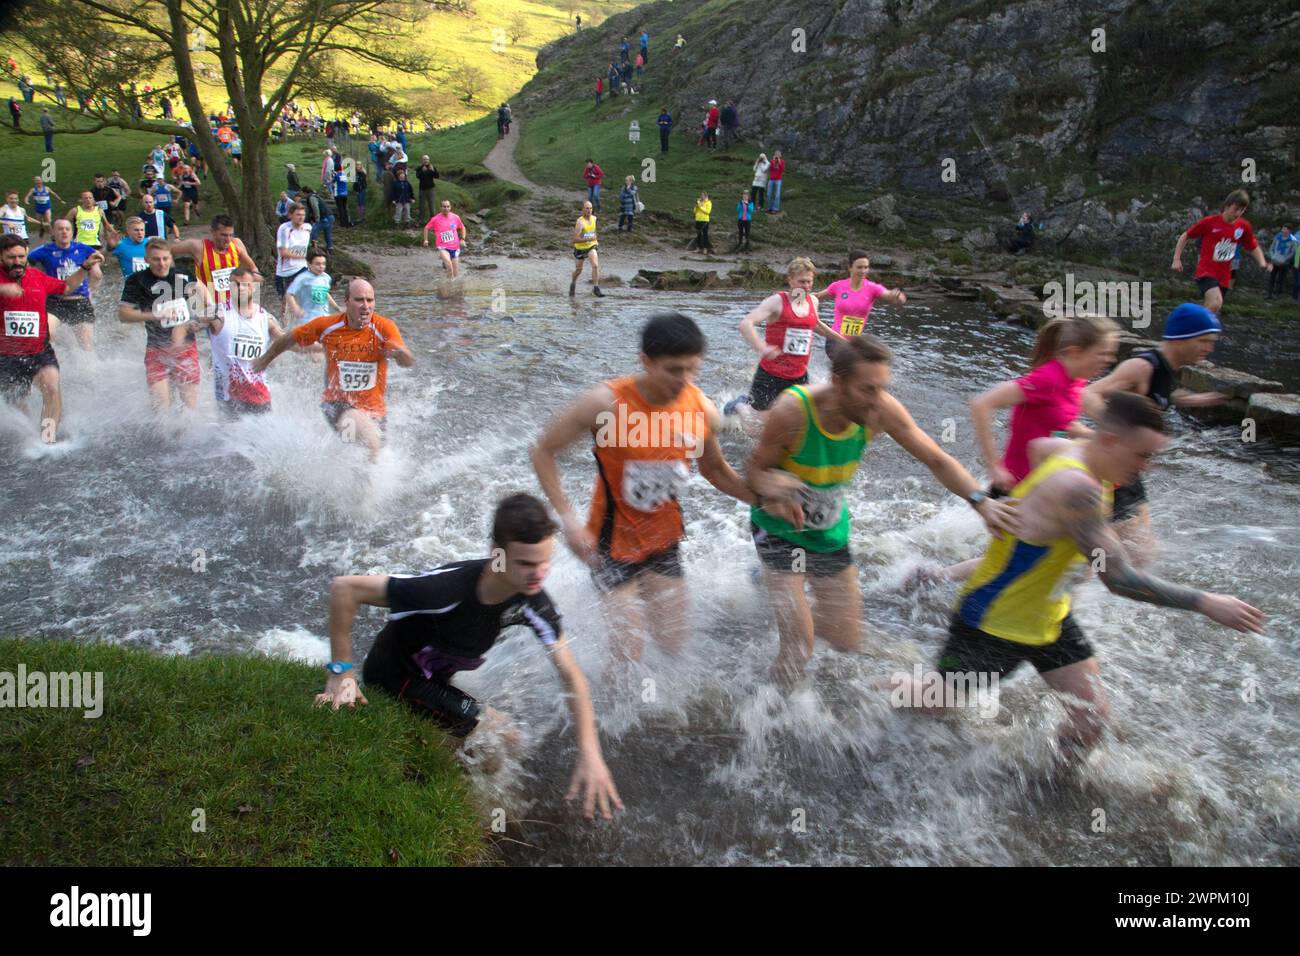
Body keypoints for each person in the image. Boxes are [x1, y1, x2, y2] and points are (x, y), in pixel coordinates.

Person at [920, 393, 1263, 756]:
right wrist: (1206, 602)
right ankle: (861, 693)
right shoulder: (1079, 490)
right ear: (1109, 441)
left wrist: (1025, 506)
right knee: (928, 702)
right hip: (993, 623)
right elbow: (1119, 580)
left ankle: (1051, 793)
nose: (1146, 468)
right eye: (1142, 455)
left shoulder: (1070, 450)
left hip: (1048, 618)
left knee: (1091, 719)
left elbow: (1037, 447)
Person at [316, 493, 623, 819]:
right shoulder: (442, 592)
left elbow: (571, 675)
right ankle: (470, 816)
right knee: (492, 739)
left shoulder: (531, 602)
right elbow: (344, 590)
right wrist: (341, 675)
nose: (538, 575)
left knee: (511, 740)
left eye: (545, 561)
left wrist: (591, 754)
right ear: (497, 555)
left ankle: (445, 771)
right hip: (395, 675)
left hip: (434, 676)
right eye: (526, 564)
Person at [746, 334, 1017, 688]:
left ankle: (775, 595)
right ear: (837, 381)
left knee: (844, 641)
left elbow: (936, 458)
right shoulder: (793, 411)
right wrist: (771, 485)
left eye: (883, 388)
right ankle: (770, 714)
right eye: (867, 389)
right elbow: (753, 469)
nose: (877, 401)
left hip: (828, 531)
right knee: (800, 647)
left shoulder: (881, 410)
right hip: (779, 530)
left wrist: (982, 503)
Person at [531, 313, 755, 662]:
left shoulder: (700, 408)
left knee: (673, 645)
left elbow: (717, 472)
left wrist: (765, 499)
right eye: (674, 369)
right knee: (627, 655)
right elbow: (543, 451)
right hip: (610, 544)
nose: (685, 380)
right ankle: (598, 711)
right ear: (646, 362)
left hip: (662, 541)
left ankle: (660, 715)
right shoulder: (606, 403)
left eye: (693, 369)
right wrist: (568, 519)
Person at [1081, 303, 1229, 542]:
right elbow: (1087, 395)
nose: (1209, 348)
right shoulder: (1143, 367)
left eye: (1212, 341)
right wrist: (1123, 434)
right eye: (1203, 341)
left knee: (1136, 548)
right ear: (1181, 338)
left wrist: (1199, 400)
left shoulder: (1170, 369)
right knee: (1131, 547)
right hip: (1111, 465)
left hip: (1128, 466)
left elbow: (1159, 398)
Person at [253, 278, 414, 462]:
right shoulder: (328, 325)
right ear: (346, 301)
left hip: (375, 410)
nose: (365, 306)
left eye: (370, 300)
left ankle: (348, 486)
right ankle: (363, 491)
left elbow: (406, 360)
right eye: (359, 300)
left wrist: (400, 354)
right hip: (337, 406)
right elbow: (290, 338)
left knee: (363, 457)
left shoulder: (383, 327)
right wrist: (264, 360)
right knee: (370, 445)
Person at [971, 315, 1119, 497]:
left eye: (1111, 354)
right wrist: (994, 466)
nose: (1110, 360)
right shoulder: (1047, 379)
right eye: (1103, 353)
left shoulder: (1077, 379)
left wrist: (1106, 438)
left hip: (1045, 489)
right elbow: (981, 404)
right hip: (1014, 489)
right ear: (1075, 352)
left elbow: (1065, 425)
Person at [0, 234, 103, 442]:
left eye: (21, 256)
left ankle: (48, 438)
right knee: (18, 404)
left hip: (39, 350)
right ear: (1, 257)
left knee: (51, 387)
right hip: (6, 356)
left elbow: (65, 287)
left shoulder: (36, 277)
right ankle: (28, 435)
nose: (17, 261)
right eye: (11, 257)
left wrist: (83, 268)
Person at [725, 257, 844, 422]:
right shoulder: (776, 302)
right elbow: (746, 323)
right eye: (801, 282)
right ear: (790, 280)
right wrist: (762, 347)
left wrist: (843, 341)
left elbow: (815, 324)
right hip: (770, 374)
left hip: (799, 374)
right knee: (755, 427)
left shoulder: (813, 301)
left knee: (798, 422)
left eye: (809, 282)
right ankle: (739, 405)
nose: (806, 286)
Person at [117, 238, 216, 413]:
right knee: (161, 409)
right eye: (156, 259)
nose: (161, 264)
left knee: (189, 408)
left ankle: (186, 437)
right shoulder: (137, 280)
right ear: (147, 260)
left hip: (186, 348)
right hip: (157, 350)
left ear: (171, 258)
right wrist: (154, 315)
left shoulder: (183, 274)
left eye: (165, 259)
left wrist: (203, 318)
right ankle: (164, 438)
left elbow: (205, 299)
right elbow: (123, 314)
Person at [1171, 189, 1269, 314]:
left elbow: (1253, 246)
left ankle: (1194, 327)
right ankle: (1190, 322)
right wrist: (1176, 259)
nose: (1238, 213)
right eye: (1235, 209)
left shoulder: (1243, 226)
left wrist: (1262, 262)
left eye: (1242, 210)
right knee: (1215, 302)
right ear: (1227, 206)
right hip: (1206, 271)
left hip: (1224, 275)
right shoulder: (1210, 222)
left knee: (1213, 309)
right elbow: (1186, 236)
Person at [206, 266, 282, 417]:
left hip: (259, 394)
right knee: (230, 438)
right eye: (236, 284)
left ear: (253, 288)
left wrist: (316, 346)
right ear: (229, 286)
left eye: (245, 285)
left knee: (263, 438)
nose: (240, 289)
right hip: (229, 396)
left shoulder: (265, 317)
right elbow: (191, 325)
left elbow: (286, 339)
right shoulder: (217, 314)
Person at [27, 220, 103, 353]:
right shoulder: (45, 250)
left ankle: (88, 368)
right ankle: (55, 361)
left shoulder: (82, 248)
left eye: (67, 229)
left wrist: (95, 267)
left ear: (72, 232)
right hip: (54, 301)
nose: (64, 232)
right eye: (60, 229)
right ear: (54, 232)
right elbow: (26, 262)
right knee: (47, 333)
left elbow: (99, 256)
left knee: (86, 345)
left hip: (79, 301)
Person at [811, 252, 907, 356]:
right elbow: (816, 297)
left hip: (855, 343)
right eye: (859, 267)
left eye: (866, 267)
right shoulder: (838, 286)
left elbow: (894, 297)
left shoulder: (873, 288)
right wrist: (796, 299)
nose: (863, 271)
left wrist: (897, 296)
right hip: (835, 340)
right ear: (850, 267)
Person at [168, 214, 259, 310]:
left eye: (230, 235)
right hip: (208, 308)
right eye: (223, 235)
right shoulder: (198, 247)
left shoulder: (236, 244)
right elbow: (167, 250)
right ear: (212, 232)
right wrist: (172, 272)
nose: (228, 239)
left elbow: (253, 268)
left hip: (235, 305)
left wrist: (252, 287)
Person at [283, 249, 339, 330]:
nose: (321, 267)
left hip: (324, 318)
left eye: (323, 264)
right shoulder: (303, 278)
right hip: (307, 320)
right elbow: (289, 294)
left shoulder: (326, 277)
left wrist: (336, 307)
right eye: (317, 264)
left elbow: (325, 293)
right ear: (309, 264)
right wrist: (296, 309)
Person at [421, 199, 466, 279]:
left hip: (455, 247)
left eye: (448, 206)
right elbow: (426, 228)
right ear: (441, 208)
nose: (446, 208)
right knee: (449, 266)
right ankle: (448, 287)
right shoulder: (435, 219)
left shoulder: (455, 217)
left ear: (450, 207)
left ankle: (450, 285)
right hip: (443, 247)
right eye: (444, 207)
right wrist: (426, 240)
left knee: (456, 274)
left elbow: (462, 227)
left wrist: (462, 239)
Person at [274, 204, 312, 296]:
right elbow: (283, 252)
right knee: (286, 303)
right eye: (298, 215)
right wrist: (304, 256)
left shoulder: (308, 228)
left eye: (303, 215)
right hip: (286, 272)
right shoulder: (285, 229)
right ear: (290, 215)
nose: (301, 217)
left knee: (306, 297)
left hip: (302, 268)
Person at [569, 200, 603, 297]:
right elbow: (575, 239)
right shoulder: (580, 222)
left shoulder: (594, 218)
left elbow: (593, 231)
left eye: (591, 208)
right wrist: (588, 238)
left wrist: (594, 239)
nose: (589, 210)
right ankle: (573, 283)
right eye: (587, 208)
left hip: (591, 245)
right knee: (579, 270)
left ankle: (596, 288)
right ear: (583, 209)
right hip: (580, 248)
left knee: (595, 265)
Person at [106, 216, 150, 284]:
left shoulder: (151, 244)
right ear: (128, 231)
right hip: (132, 287)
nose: (140, 233)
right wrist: (109, 247)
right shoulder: (121, 245)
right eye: (136, 230)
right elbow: (102, 256)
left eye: (142, 230)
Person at [1266, 225, 1295, 299]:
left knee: (1280, 279)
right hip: (1274, 261)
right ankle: (1269, 294)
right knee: (1272, 278)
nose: (1283, 230)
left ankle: (1277, 294)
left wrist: (1286, 259)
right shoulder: (1277, 237)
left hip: (1284, 263)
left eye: (1285, 229)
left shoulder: (1293, 240)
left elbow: (1293, 252)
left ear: (1289, 230)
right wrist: (1272, 256)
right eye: (1283, 229)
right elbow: (1272, 247)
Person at [414, 155, 439, 224]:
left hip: (431, 189)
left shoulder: (432, 167)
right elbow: (418, 176)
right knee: (421, 205)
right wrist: (422, 171)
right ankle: (421, 220)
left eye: (427, 159)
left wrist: (433, 170)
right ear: (422, 160)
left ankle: (433, 221)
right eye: (424, 159)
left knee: (432, 205)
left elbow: (437, 176)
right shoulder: (419, 168)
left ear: (429, 160)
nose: (426, 161)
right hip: (422, 189)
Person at [691, 190, 713, 255]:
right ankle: (698, 248)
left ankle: (705, 248)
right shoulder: (699, 202)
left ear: (706, 196)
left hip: (705, 220)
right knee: (698, 234)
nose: (702, 197)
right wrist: (696, 206)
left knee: (705, 235)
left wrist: (700, 206)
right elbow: (694, 211)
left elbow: (708, 212)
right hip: (698, 219)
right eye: (701, 195)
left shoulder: (708, 203)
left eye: (703, 195)